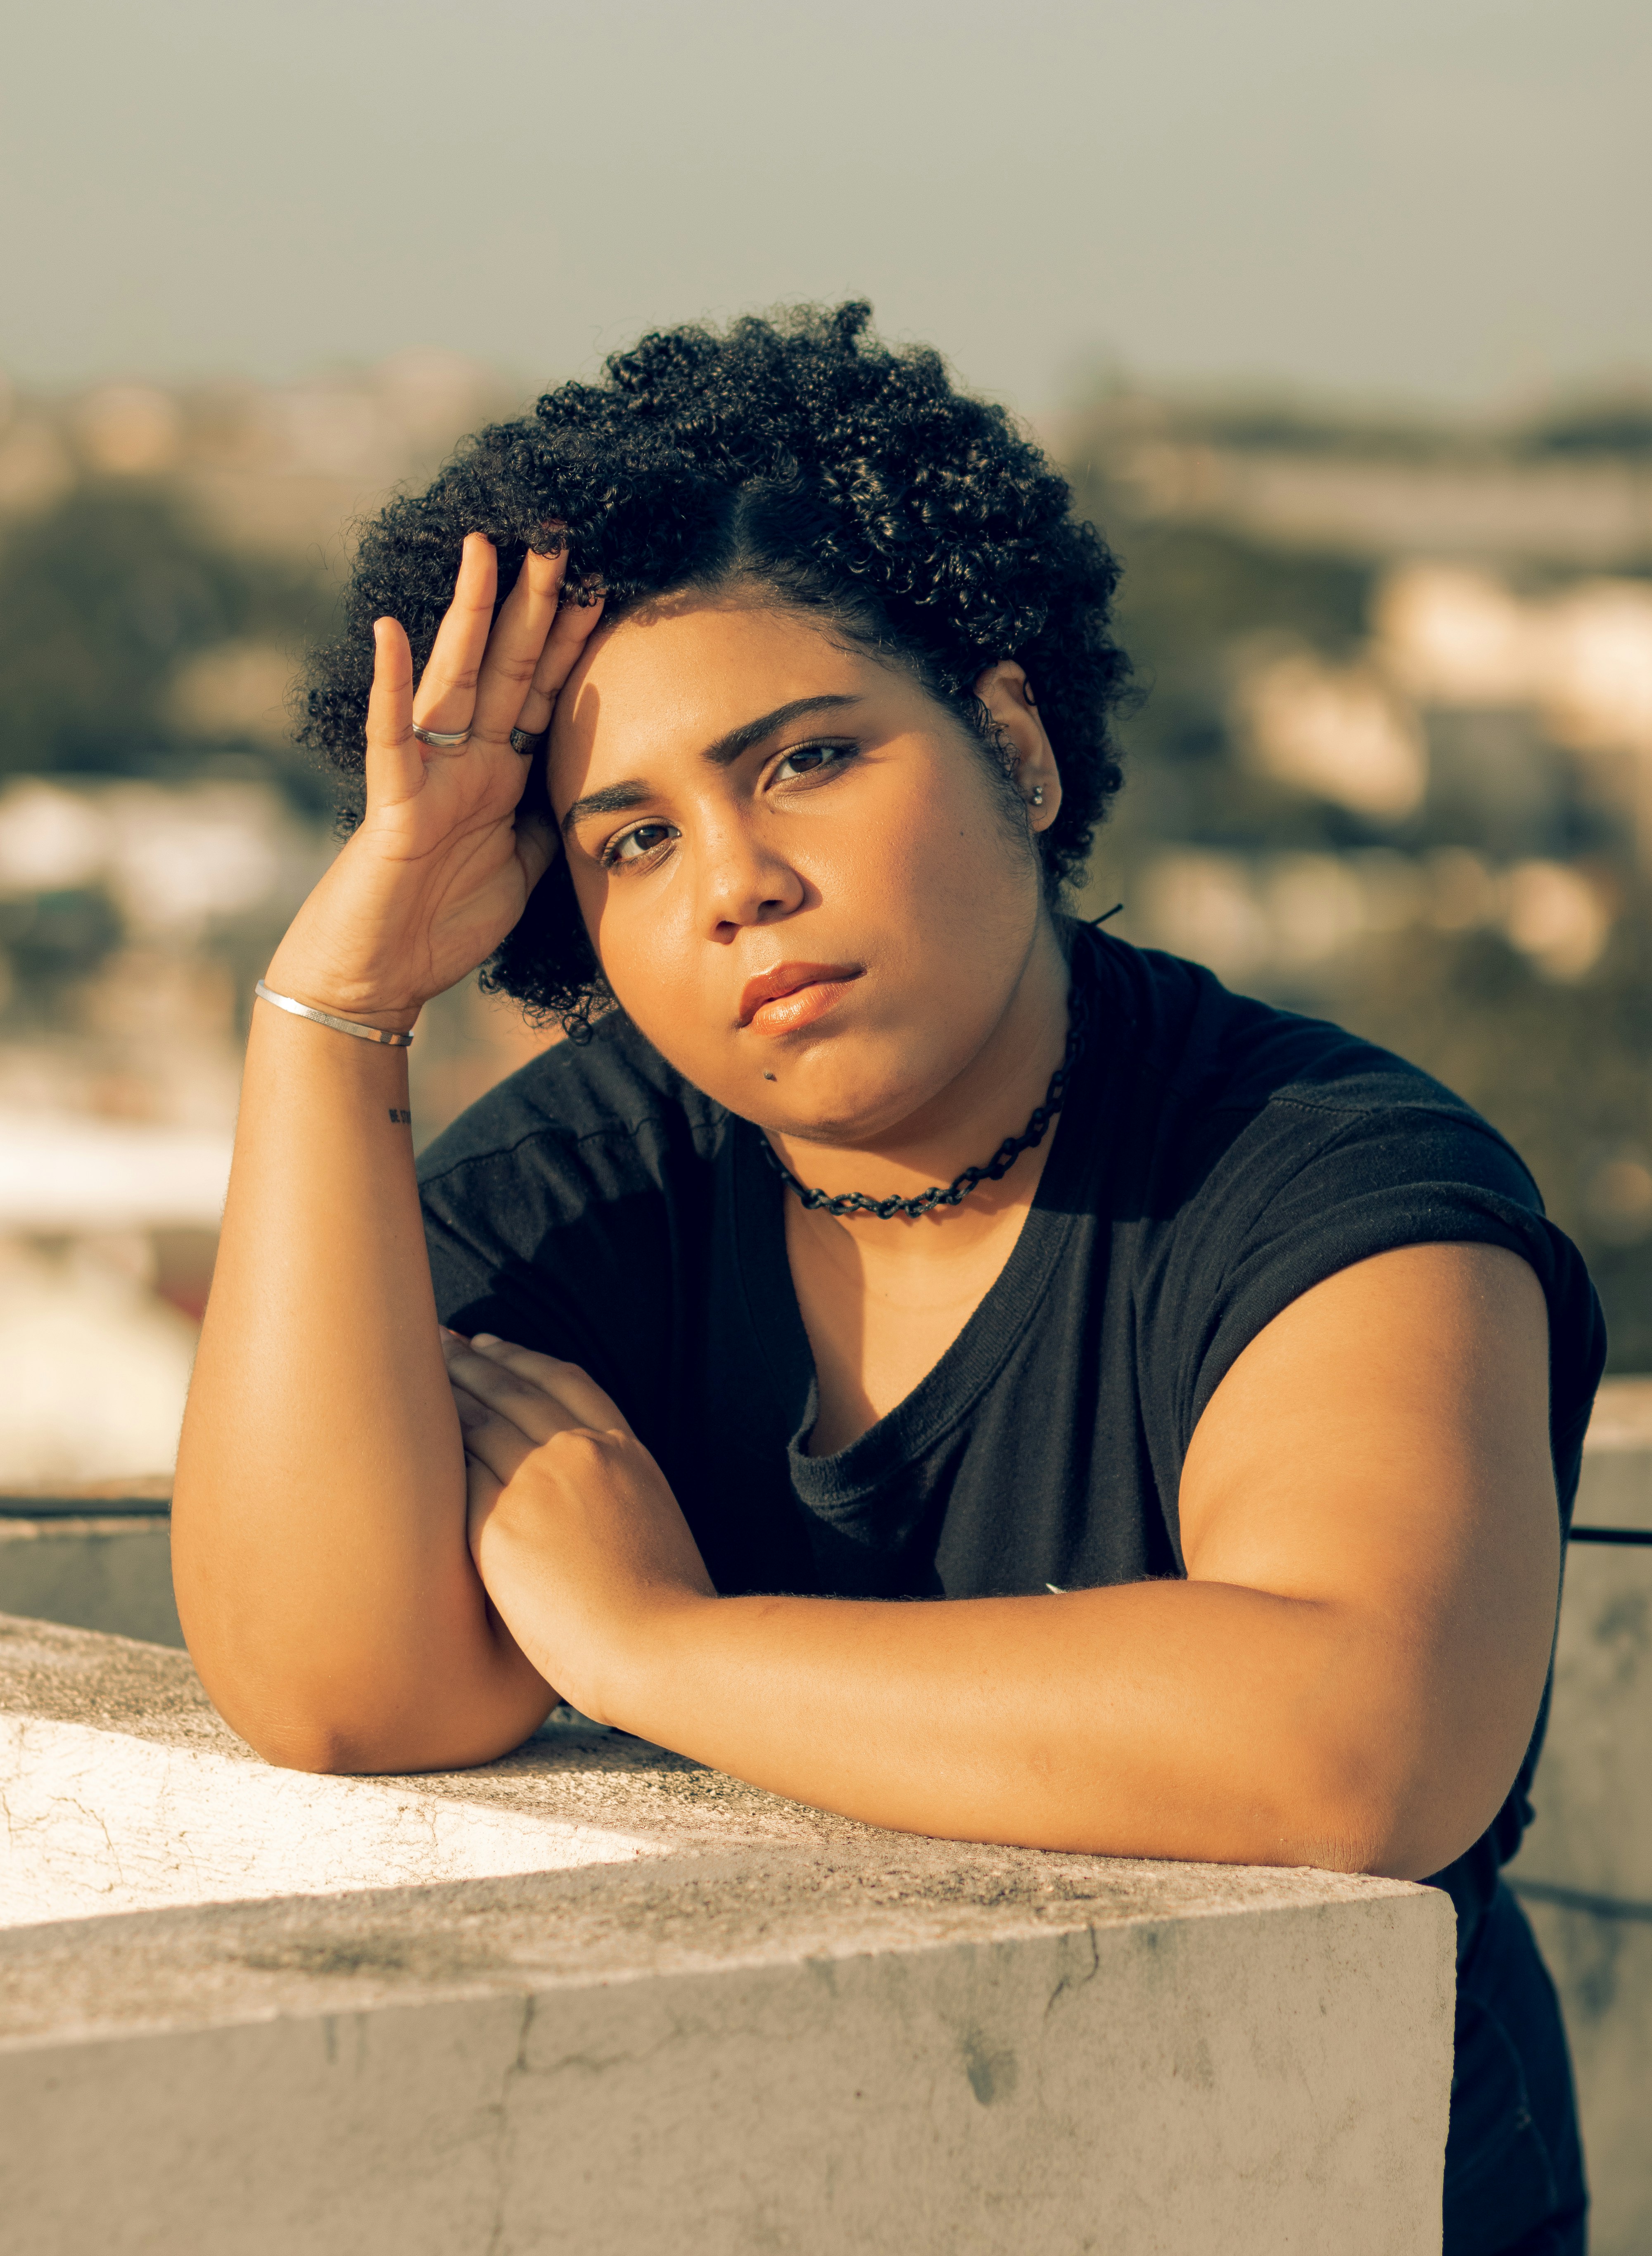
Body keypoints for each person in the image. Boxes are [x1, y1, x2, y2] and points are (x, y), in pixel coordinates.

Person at [173, 303, 1600, 2255]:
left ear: (1012, 745)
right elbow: (336, 1685)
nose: (735, 880)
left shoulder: (1317, 1170)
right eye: (633, 840)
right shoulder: (594, 1180)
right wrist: (330, 1013)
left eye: (812, 758)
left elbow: (1353, 1741)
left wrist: (646, 1645)